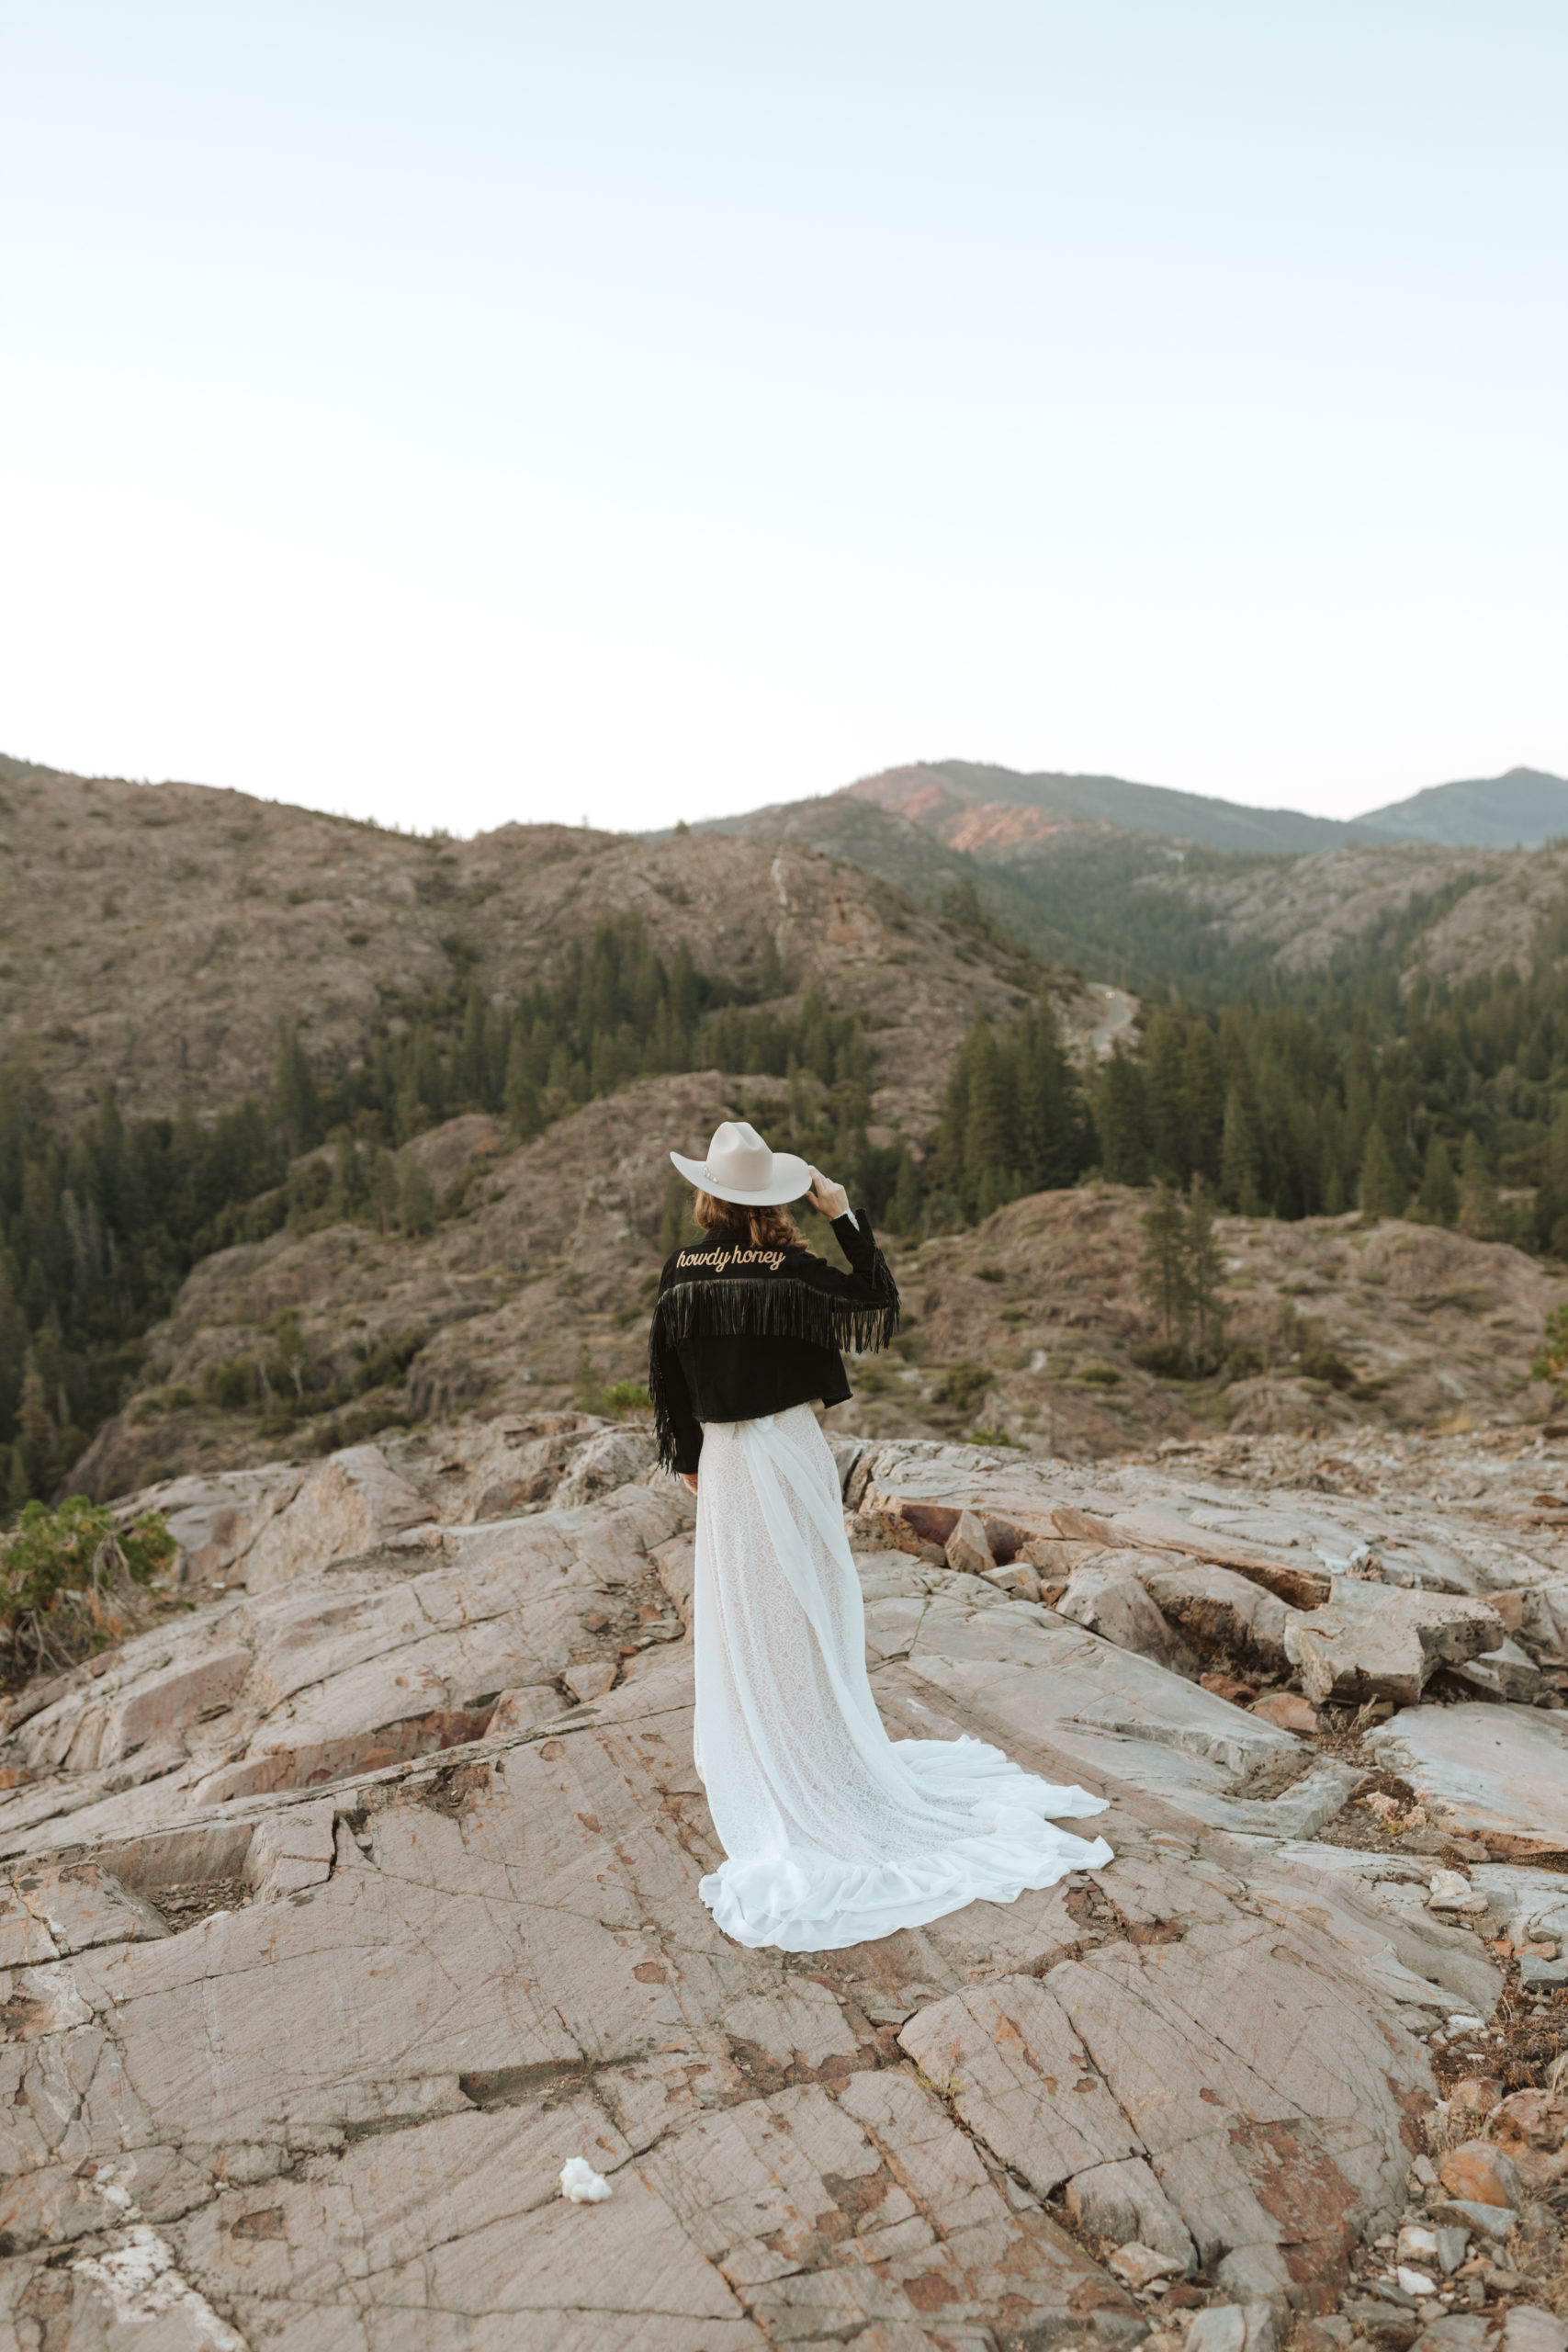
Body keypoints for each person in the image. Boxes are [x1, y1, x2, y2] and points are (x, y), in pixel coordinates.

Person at [649, 1117, 1112, 1953]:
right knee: (809, 1601)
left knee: (747, 1606)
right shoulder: (788, 1267)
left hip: (723, 1461)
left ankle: (773, 1752)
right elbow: (877, 1300)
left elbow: (667, 1371)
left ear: (706, 1196)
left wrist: (686, 1455)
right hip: (787, 1450)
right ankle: (820, 1748)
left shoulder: (683, 1271)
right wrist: (842, 1212)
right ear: (775, 1196)